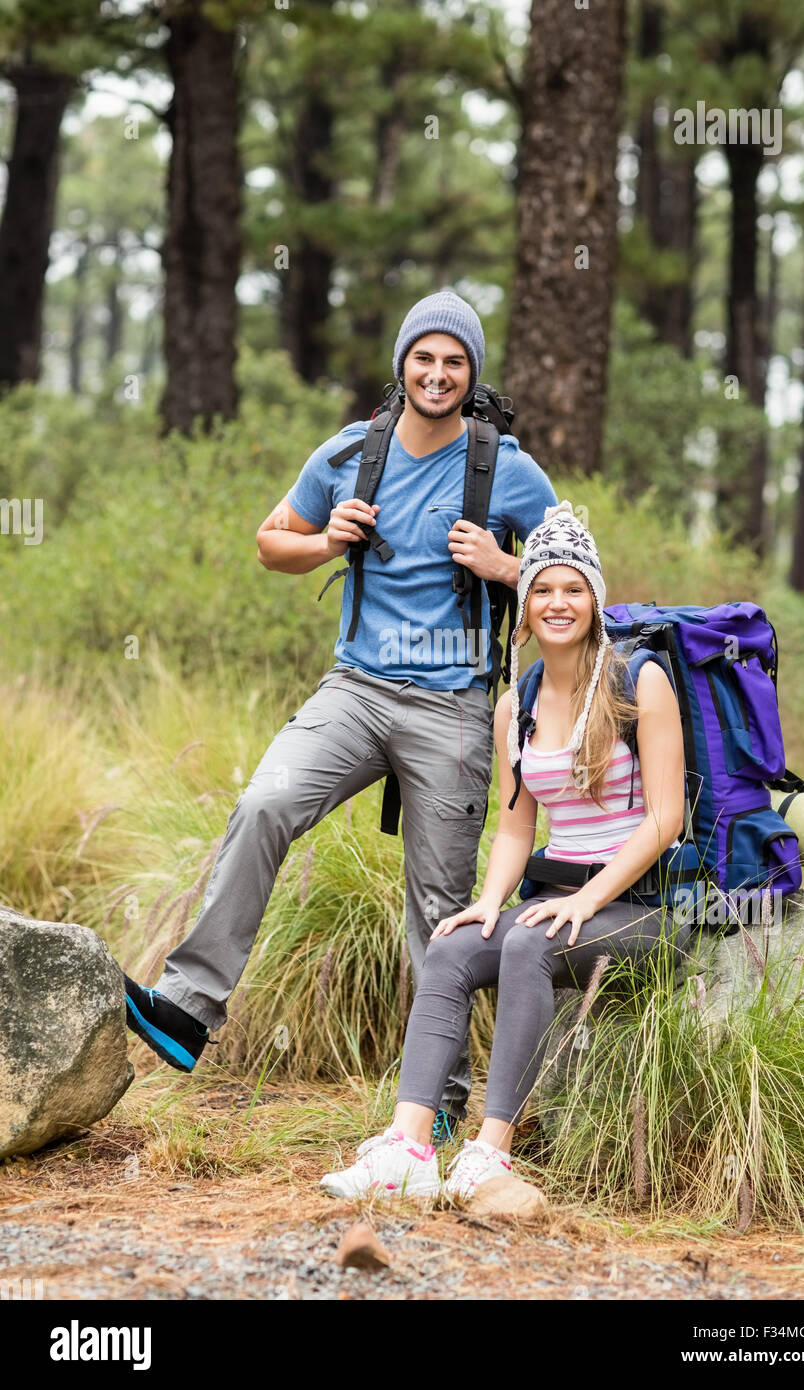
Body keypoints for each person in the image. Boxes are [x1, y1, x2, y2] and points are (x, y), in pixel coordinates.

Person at [123, 290, 557, 1140]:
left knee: (440, 908)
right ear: (402, 365)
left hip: (455, 708)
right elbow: (268, 541)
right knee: (263, 805)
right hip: (355, 691)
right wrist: (326, 542)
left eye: (454, 362)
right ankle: (187, 1005)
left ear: (471, 377)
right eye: (424, 357)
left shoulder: (504, 467)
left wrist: (505, 566)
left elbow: (578, 584)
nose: (437, 373)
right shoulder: (350, 454)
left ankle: (440, 1102)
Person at [320, 500, 689, 1201]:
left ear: (596, 599)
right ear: (523, 603)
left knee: (528, 944)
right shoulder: (514, 702)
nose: (558, 603)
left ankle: (494, 1152)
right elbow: (518, 827)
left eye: (573, 588)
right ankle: (409, 1148)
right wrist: (488, 904)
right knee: (456, 945)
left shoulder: (639, 681)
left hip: (643, 906)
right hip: (558, 897)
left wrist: (586, 899)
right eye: (543, 589)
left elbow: (666, 819)